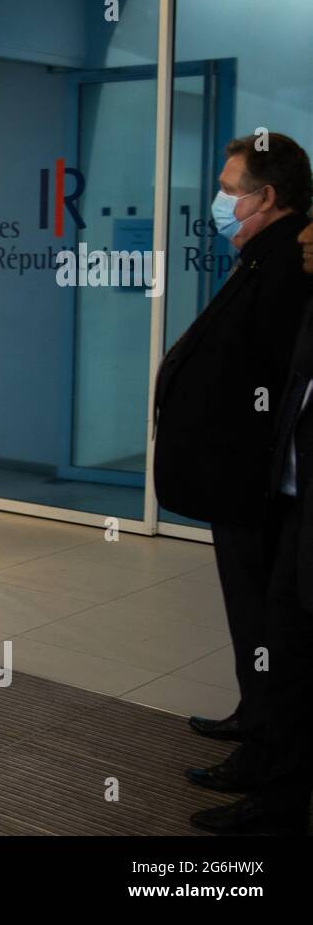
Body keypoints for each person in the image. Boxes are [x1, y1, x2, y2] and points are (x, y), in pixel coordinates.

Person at [152, 133, 313, 792]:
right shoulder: (261, 253)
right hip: (239, 484)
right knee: (254, 626)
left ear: (265, 196)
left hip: (259, 490)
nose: (219, 199)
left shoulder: (290, 263)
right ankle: (254, 718)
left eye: (228, 186)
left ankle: (264, 754)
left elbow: (275, 389)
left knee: (266, 627)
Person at [192, 216, 313, 835]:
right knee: (278, 640)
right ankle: (270, 770)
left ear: (264, 197)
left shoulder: (284, 274)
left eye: (232, 189)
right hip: (275, 492)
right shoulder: (272, 267)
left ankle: (275, 787)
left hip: (278, 500)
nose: (307, 237)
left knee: (283, 643)